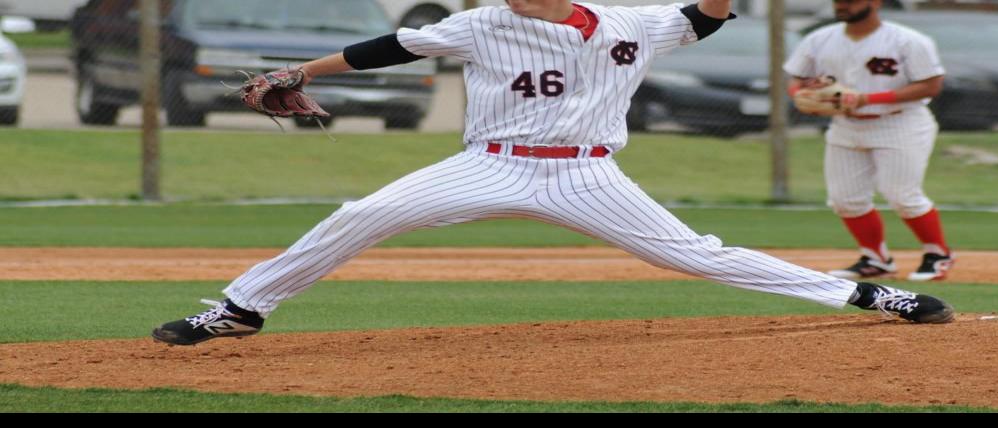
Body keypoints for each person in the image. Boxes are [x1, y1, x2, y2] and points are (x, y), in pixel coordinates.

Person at [152, 0, 954, 347]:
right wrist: (303, 71)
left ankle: (868, 295)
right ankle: (241, 309)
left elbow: (705, 17)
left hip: (588, 176)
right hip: (488, 164)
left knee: (698, 254)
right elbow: (390, 46)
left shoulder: (632, 21)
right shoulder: (482, 22)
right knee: (363, 213)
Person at [785, 0, 954, 282]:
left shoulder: (908, 40)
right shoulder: (819, 39)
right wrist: (800, 94)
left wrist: (868, 99)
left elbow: (931, 85)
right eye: (838, 1)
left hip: (900, 123)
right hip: (845, 125)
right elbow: (797, 80)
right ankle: (876, 259)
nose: (842, 5)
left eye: (850, 1)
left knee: (902, 195)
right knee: (844, 199)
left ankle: (938, 254)